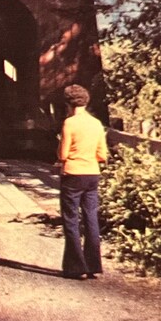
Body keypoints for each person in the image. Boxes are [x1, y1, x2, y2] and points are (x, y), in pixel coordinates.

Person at [57, 84, 108, 280]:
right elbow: (102, 154)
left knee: (71, 219)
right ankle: (93, 264)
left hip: (73, 174)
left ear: (68, 103)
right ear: (86, 101)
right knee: (91, 218)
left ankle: (75, 266)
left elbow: (63, 154)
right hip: (92, 174)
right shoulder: (96, 123)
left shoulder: (69, 123)